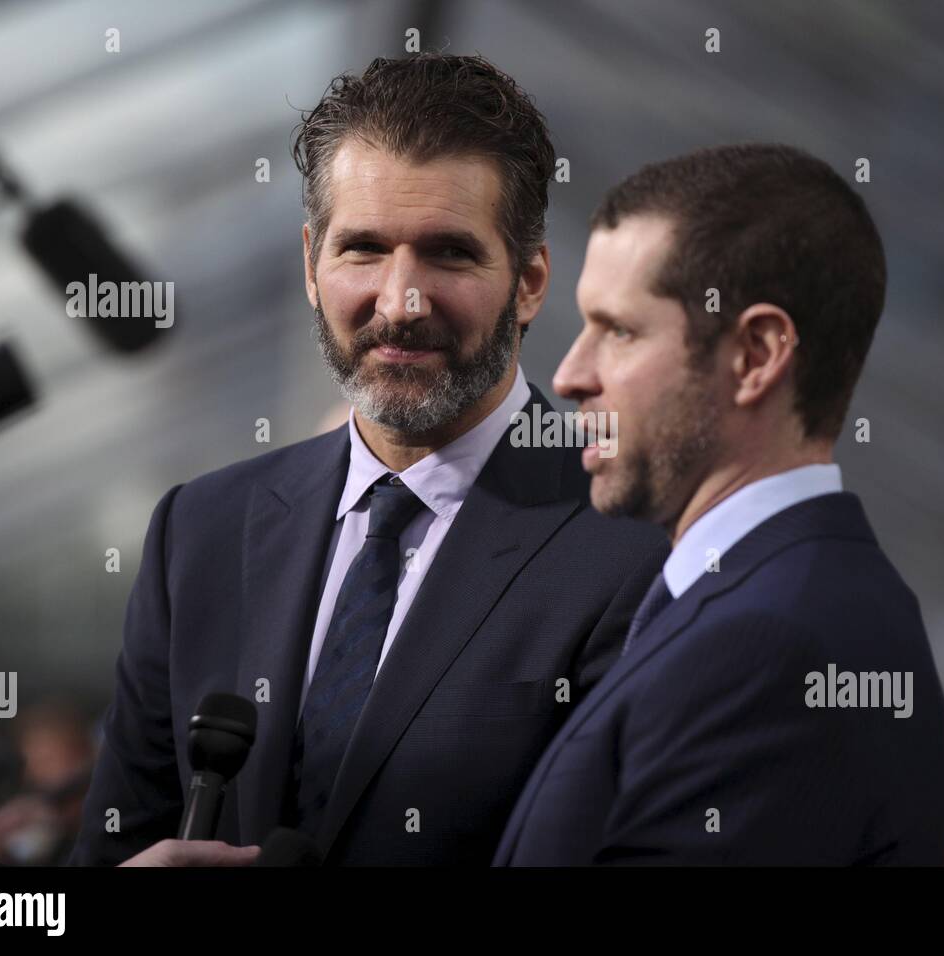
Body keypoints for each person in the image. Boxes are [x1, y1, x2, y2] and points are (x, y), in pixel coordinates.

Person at [70, 54, 666, 867]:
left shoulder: (638, 540)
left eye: (449, 254)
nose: (400, 303)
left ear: (528, 282)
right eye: (363, 250)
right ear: (312, 265)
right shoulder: (200, 532)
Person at [495, 144, 944, 865]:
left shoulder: (765, 649)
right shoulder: (784, 601)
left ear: (757, 355)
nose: (569, 374)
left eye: (618, 329)